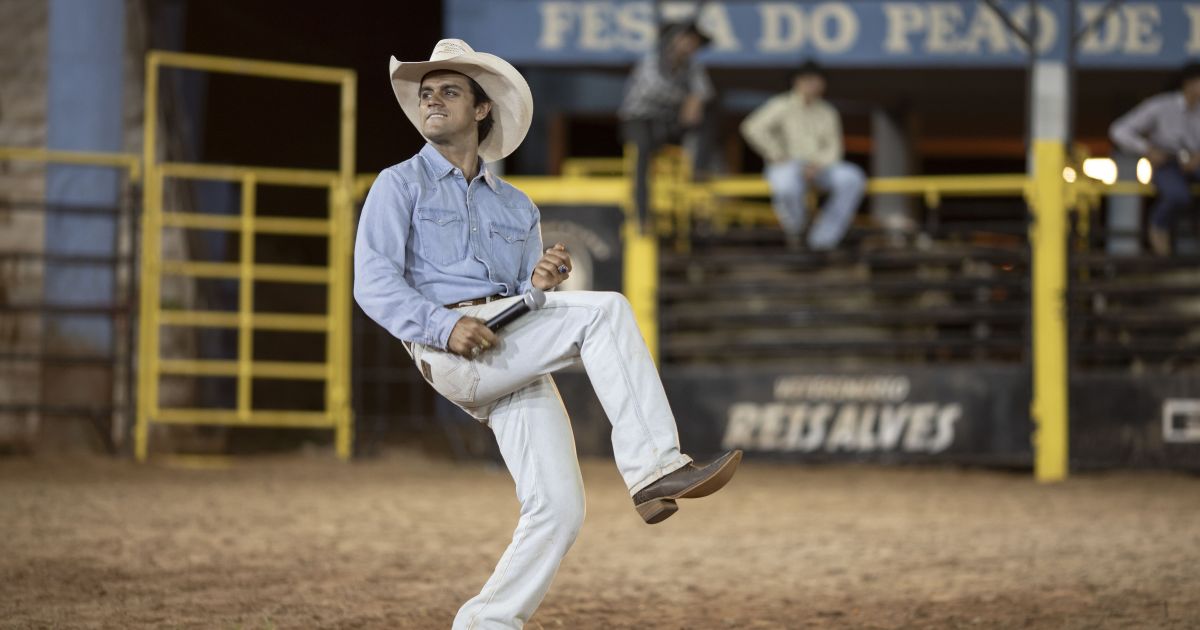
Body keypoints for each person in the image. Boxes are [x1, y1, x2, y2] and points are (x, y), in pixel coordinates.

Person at [353, 39, 741, 630]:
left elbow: (523, 302)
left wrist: (538, 284)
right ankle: (655, 468)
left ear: (481, 110)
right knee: (607, 311)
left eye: (448, 92)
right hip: (447, 348)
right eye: (426, 94)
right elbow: (372, 283)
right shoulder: (397, 184)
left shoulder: (518, 208)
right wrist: (444, 323)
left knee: (559, 510)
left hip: (504, 349)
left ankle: (485, 623)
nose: (432, 101)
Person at [740, 61, 866, 251]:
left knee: (852, 178)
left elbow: (834, 147)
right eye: (807, 80)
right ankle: (797, 231)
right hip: (787, 164)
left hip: (820, 167)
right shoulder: (781, 104)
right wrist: (776, 153)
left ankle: (822, 240)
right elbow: (752, 127)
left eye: (816, 80)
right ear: (796, 82)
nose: (812, 85)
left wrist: (818, 164)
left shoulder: (827, 111)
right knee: (786, 186)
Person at [618, 20, 716, 229]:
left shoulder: (693, 66)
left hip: (667, 122)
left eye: (695, 43)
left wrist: (695, 100)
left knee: (709, 113)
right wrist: (689, 99)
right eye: (688, 40)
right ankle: (642, 216)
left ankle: (698, 168)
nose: (691, 46)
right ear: (675, 40)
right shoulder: (652, 60)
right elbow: (652, 90)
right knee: (642, 152)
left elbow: (705, 92)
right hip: (639, 120)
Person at [1110, 62, 1200, 256]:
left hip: (1195, 162)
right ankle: (1158, 225)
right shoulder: (1161, 106)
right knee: (1177, 196)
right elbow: (1119, 130)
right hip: (1167, 161)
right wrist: (1147, 149)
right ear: (1189, 83)